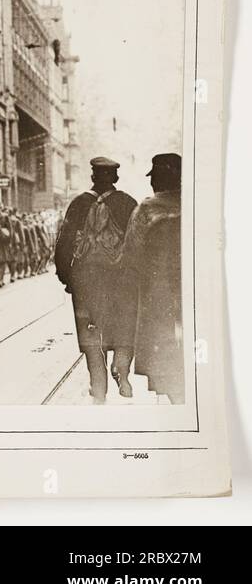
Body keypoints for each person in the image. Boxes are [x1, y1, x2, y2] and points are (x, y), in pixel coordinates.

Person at [55, 156, 140, 402]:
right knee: (124, 325)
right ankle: (121, 368)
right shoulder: (127, 203)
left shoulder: (79, 204)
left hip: (86, 279)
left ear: (92, 177)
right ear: (115, 178)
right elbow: (137, 241)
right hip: (120, 278)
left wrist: (67, 277)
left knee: (89, 330)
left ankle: (98, 383)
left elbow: (63, 244)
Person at [121, 154, 184, 403]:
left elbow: (130, 258)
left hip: (160, 300)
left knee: (166, 365)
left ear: (156, 180)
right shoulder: (197, 205)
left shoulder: (145, 210)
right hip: (196, 297)